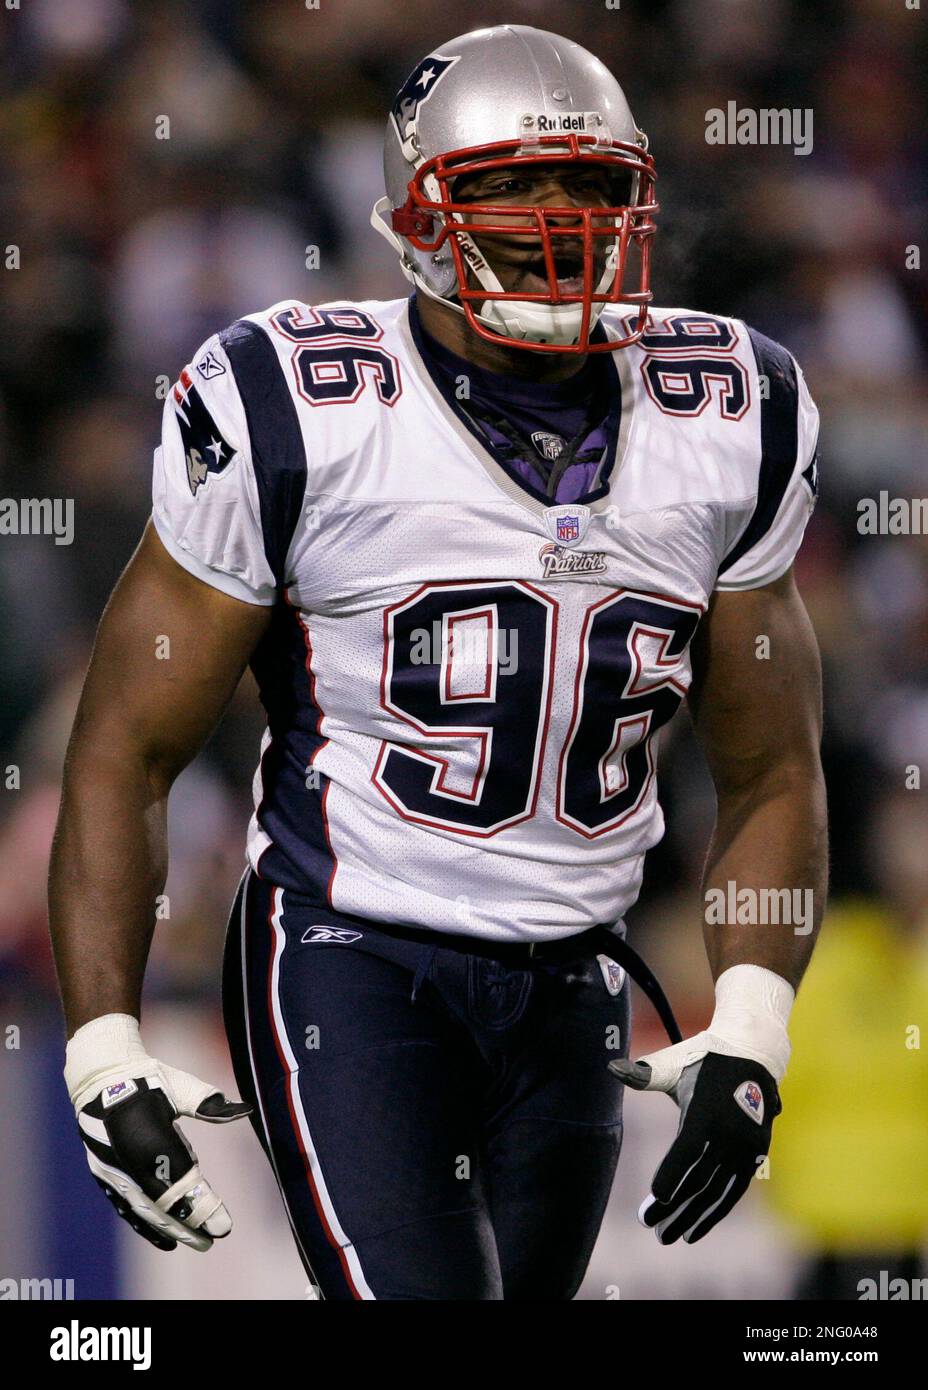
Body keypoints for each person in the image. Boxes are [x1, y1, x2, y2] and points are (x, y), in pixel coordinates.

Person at [49, 25, 828, 1301]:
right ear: (419, 210)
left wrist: (749, 1020)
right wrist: (102, 1043)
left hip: (574, 971)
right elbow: (126, 744)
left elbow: (771, 763)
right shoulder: (296, 402)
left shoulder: (730, 410)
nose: (561, 221)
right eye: (515, 188)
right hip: (351, 954)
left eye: (590, 186)